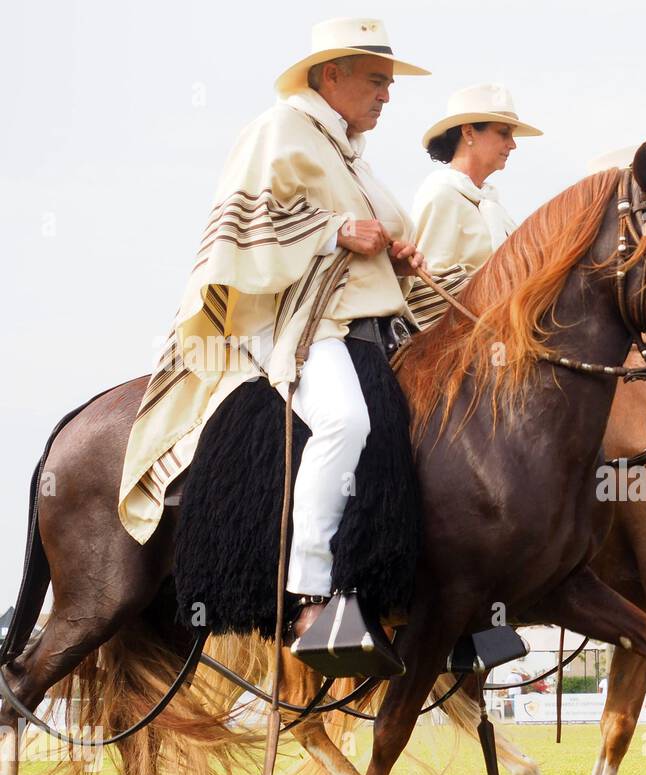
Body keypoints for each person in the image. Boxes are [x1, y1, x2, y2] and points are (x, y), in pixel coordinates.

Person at [117, 18, 429, 646]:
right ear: (330, 75)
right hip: (294, 324)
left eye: (390, 83)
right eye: (377, 81)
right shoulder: (278, 129)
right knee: (344, 421)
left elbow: (361, 231)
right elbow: (242, 227)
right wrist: (335, 230)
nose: (387, 95)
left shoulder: (349, 154)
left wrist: (393, 256)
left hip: (362, 325)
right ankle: (310, 596)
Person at [407, 83, 542, 329]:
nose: (512, 144)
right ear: (468, 133)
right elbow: (424, 287)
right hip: (461, 352)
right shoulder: (441, 194)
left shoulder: (493, 205)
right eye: (503, 133)